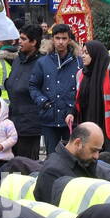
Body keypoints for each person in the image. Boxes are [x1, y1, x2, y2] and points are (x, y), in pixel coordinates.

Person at [29, 23, 78, 155]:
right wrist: (42, 101)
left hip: (71, 118)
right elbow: (33, 85)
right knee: (52, 158)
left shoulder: (78, 62)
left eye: (64, 38)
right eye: (57, 38)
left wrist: (74, 108)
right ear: (52, 39)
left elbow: (82, 89)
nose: (60, 42)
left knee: (72, 157)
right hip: (49, 117)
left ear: (69, 40)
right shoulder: (42, 62)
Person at [33, 121, 104, 204]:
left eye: (98, 151)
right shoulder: (52, 171)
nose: (96, 156)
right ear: (78, 143)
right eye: (93, 150)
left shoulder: (86, 162)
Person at [3, 24, 43, 161]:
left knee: (27, 165)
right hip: (13, 122)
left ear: (34, 42)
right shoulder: (17, 60)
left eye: (23, 39)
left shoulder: (42, 63)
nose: (19, 41)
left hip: (30, 125)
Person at [72, 39, 110, 161]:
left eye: (86, 53)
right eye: (82, 52)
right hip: (86, 120)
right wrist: (72, 112)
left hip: (106, 124)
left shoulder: (109, 73)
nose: (83, 56)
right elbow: (78, 98)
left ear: (95, 54)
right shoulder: (81, 74)